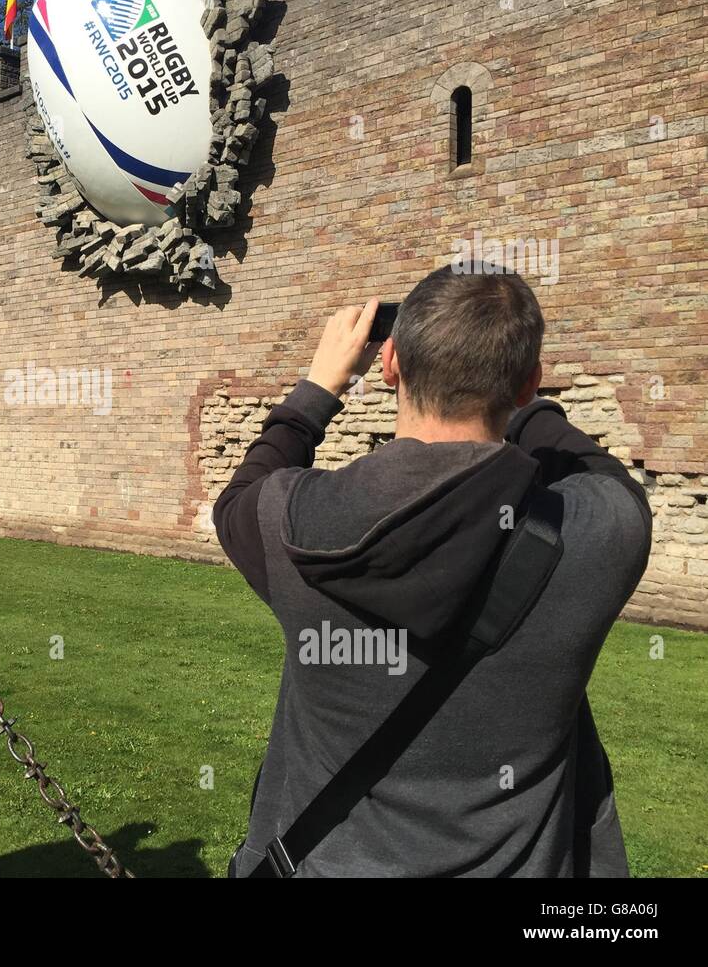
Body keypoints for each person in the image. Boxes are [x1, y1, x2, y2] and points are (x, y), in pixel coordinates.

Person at [215, 266, 652, 877]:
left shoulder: (295, 522)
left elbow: (238, 497)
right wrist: (518, 399)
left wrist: (318, 388)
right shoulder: (604, 532)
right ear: (530, 381)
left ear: (390, 363)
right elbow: (599, 470)